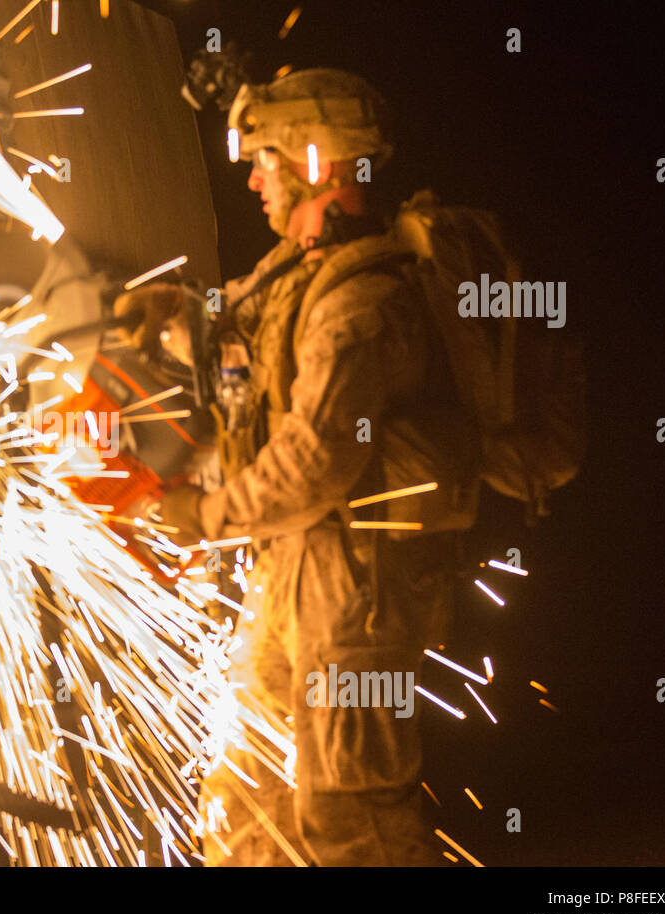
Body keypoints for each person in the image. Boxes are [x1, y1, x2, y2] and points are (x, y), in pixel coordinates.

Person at [121, 68, 458, 866]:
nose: (250, 175)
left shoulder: (363, 303)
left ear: (318, 160)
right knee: (247, 806)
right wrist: (170, 310)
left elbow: (315, 461)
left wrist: (204, 518)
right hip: (292, 580)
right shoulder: (297, 272)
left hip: (356, 598)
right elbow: (233, 325)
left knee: (355, 823)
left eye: (263, 155)